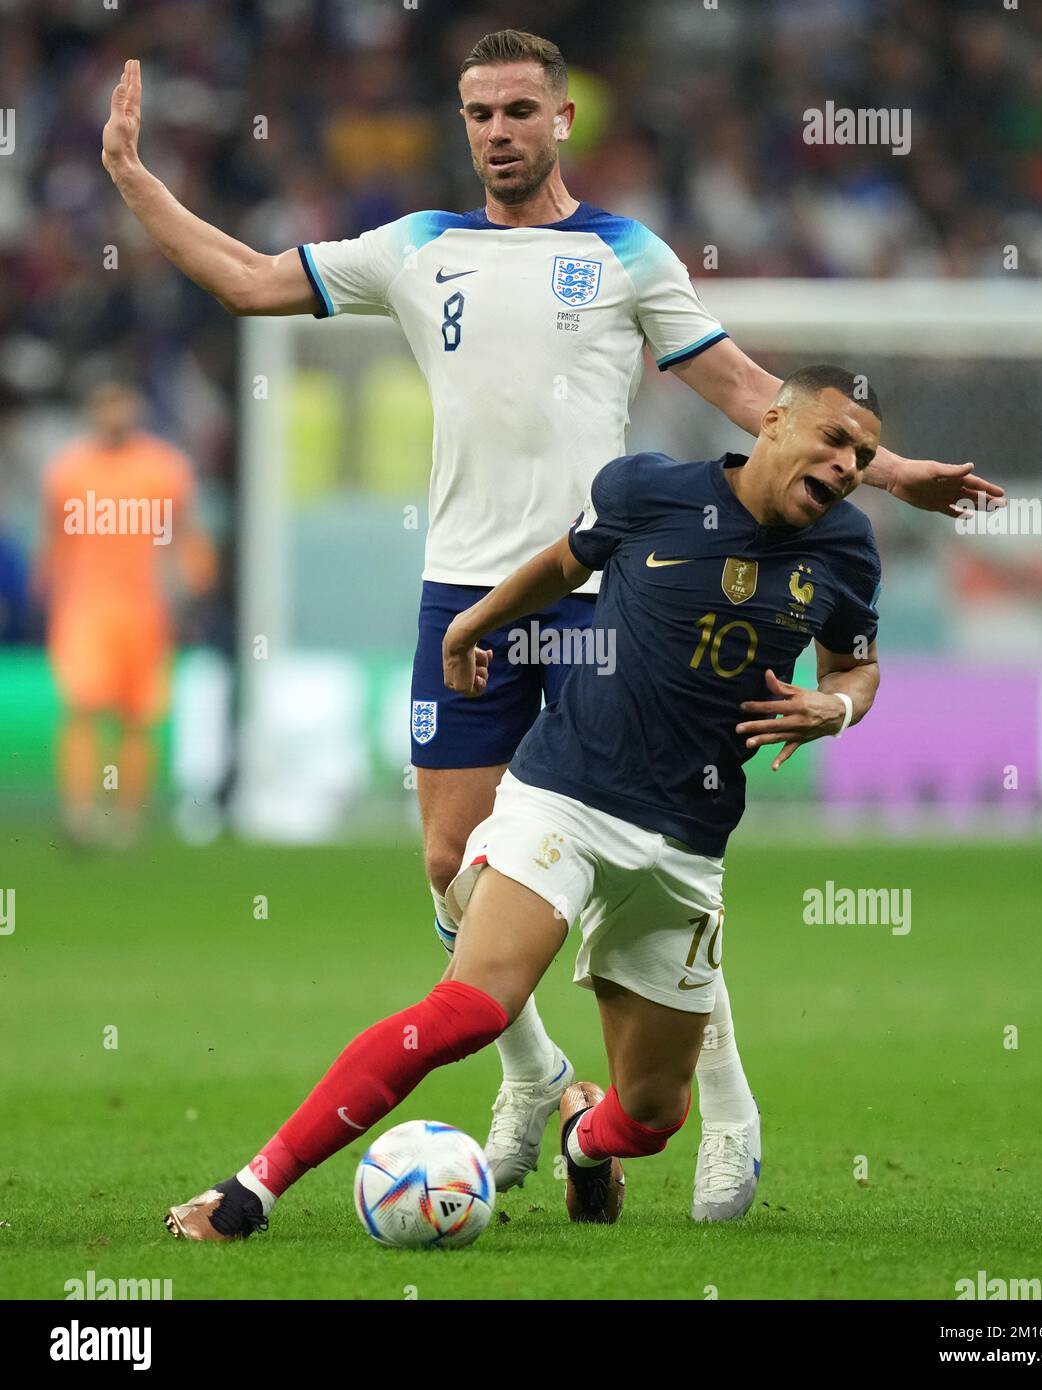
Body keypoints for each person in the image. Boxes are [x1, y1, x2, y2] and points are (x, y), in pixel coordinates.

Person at [103, 29, 998, 1219]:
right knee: (447, 865)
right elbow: (250, 281)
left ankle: (722, 1108)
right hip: (465, 590)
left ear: (562, 117)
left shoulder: (628, 255)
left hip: (601, 592)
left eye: (520, 110)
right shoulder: (416, 247)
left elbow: (759, 403)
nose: (498, 132)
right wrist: (135, 181)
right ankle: (533, 1080)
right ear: (463, 122)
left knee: (650, 839)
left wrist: (893, 471)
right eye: (478, 113)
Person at [165, 364, 883, 1239]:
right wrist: (473, 625)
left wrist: (837, 705)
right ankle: (251, 1191)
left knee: (654, 1117)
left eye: (865, 456)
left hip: (689, 845)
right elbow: (558, 564)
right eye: (836, 439)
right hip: (564, 798)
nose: (848, 465)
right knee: (471, 1008)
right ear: (774, 420)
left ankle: (584, 1138)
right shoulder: (647, 489)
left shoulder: (847, 549)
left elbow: (855, 663)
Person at [35, 381, 213, 847]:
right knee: (83, 706)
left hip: (145, 609)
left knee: (139, 716)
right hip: (84, 607)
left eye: (122, 402)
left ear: (135, 408)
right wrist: (44, 589)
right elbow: (55, 539)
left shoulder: (164, 469)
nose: (115, 412)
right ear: (94, 410)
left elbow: (185, 535)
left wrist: (192, 585)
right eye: (106, 403)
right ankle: (80, 813)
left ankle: (126, 819)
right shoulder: (68, 470)